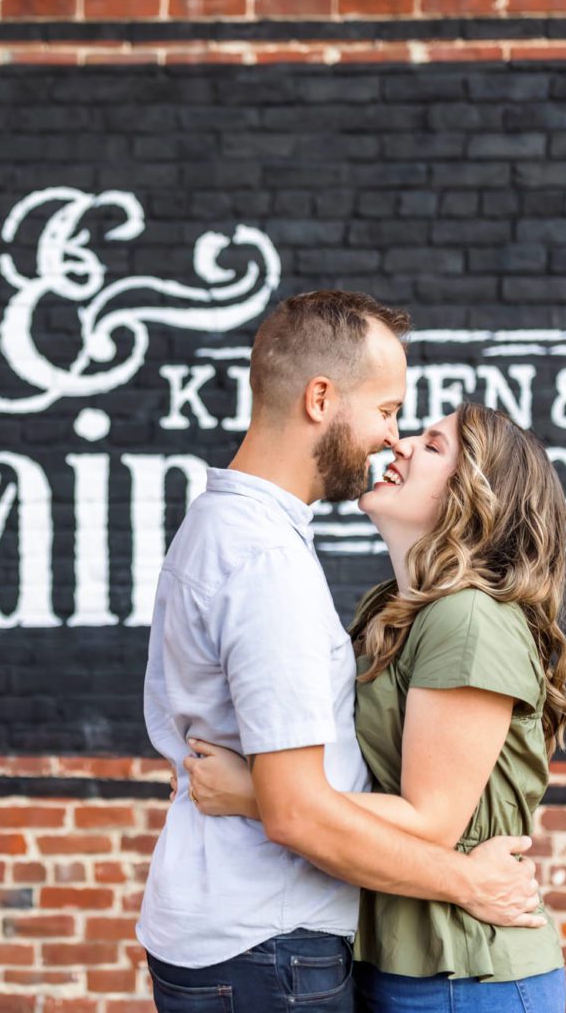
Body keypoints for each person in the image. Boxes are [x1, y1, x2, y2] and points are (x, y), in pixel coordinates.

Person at [137, 291, 545, 1013]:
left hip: (359, 948)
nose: (394, 438)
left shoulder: (233, 529)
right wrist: (469, 880)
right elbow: (298, 811)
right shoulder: (269, 562)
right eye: (388, 411)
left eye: (421, 435)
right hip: (268, 935)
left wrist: (247, 791)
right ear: (321, 399)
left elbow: (384, 807)